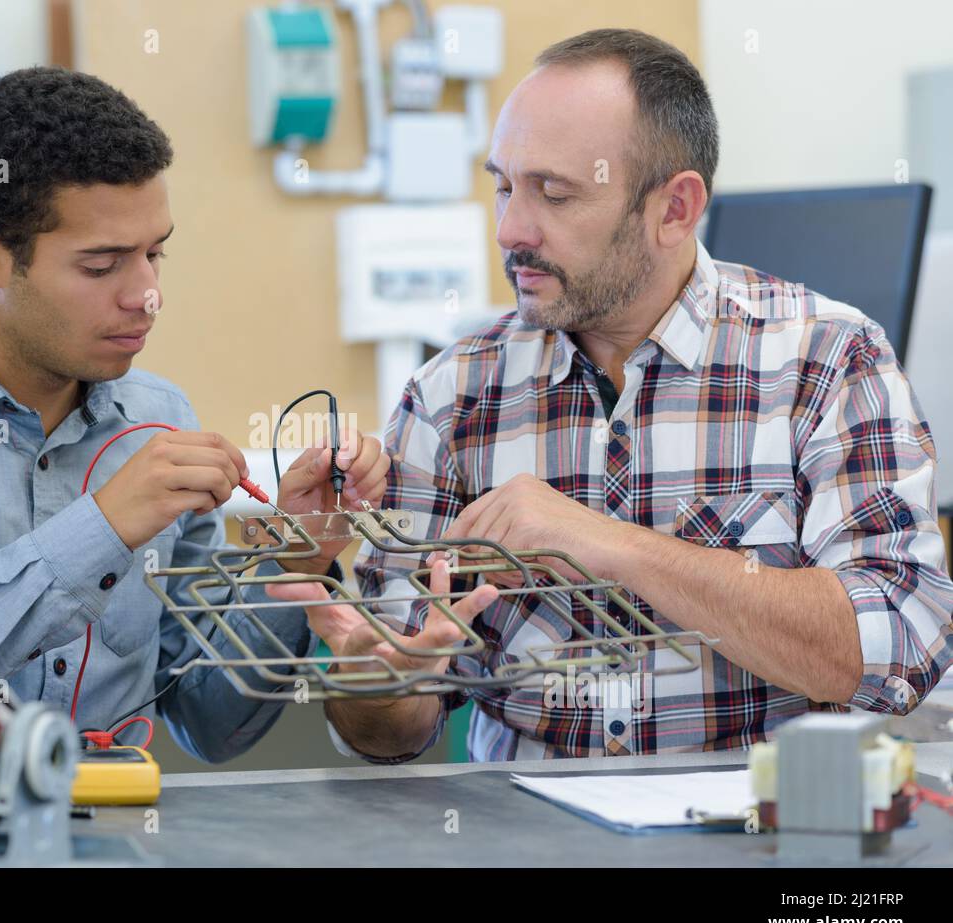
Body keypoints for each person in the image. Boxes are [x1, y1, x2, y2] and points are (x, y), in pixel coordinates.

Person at [279, 28, 953, 762]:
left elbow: (895, 653)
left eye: (554, 193)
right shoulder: (450, 398)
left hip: (756, 839)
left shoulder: (828, 360)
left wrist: (602, 541)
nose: (510, 230)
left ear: (674, 208)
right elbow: (386, 736)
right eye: (504, 185)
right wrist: (379, 682)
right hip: (526, 843)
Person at [0, 67, 390, 763]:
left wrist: (292, 561)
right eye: (101, 266)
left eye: (155, 254)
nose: (147, 296)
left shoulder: (157, 416)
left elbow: (209, 721)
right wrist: (100, 529)